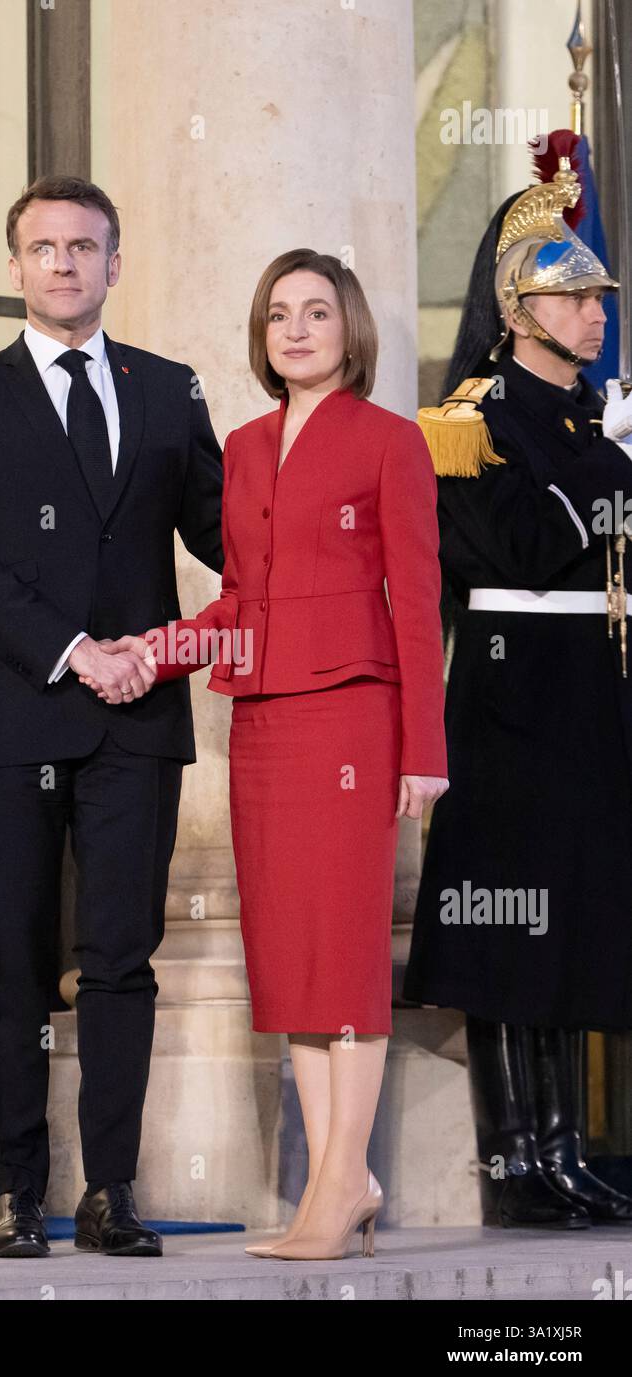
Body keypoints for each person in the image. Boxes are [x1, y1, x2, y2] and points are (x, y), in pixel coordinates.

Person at [84, 249, 449, 1259]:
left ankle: (335, 1183)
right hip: (264, 724)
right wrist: (153, 651)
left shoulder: (389, 442)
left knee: (341, 953)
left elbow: (416, 603)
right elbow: (240, 600)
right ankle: (344, 1177)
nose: (294, 330)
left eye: (315, 313)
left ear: (350, 330)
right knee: (288, 954)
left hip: (352, 717)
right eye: (278, 314)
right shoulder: (241, 447)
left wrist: (426, 747)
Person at [0, 175, 223, 1258]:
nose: (61, 264)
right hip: (12, 715)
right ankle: (15, 1193)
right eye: (41, 247)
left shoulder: (171, 390)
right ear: (15, 268)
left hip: (137, 722)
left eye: (82, 246)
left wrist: (324, 462)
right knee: (9, 956)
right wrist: (73, 649)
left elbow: (232, 535)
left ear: (114, 263)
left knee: (122, 960)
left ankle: (112, 1193)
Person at [403, 141, 632, 1228]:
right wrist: (611, 476)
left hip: (585, 693)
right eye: (572, 297)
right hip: (506, 700)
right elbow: (522, 545)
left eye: (595, 298)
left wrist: (603, 465)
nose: (594, 316)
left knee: (574, 924)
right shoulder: (466, 425)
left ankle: (566, 1147)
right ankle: (514, 1164)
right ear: (517, 306)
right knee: (509, 936)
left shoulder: (589, 426)